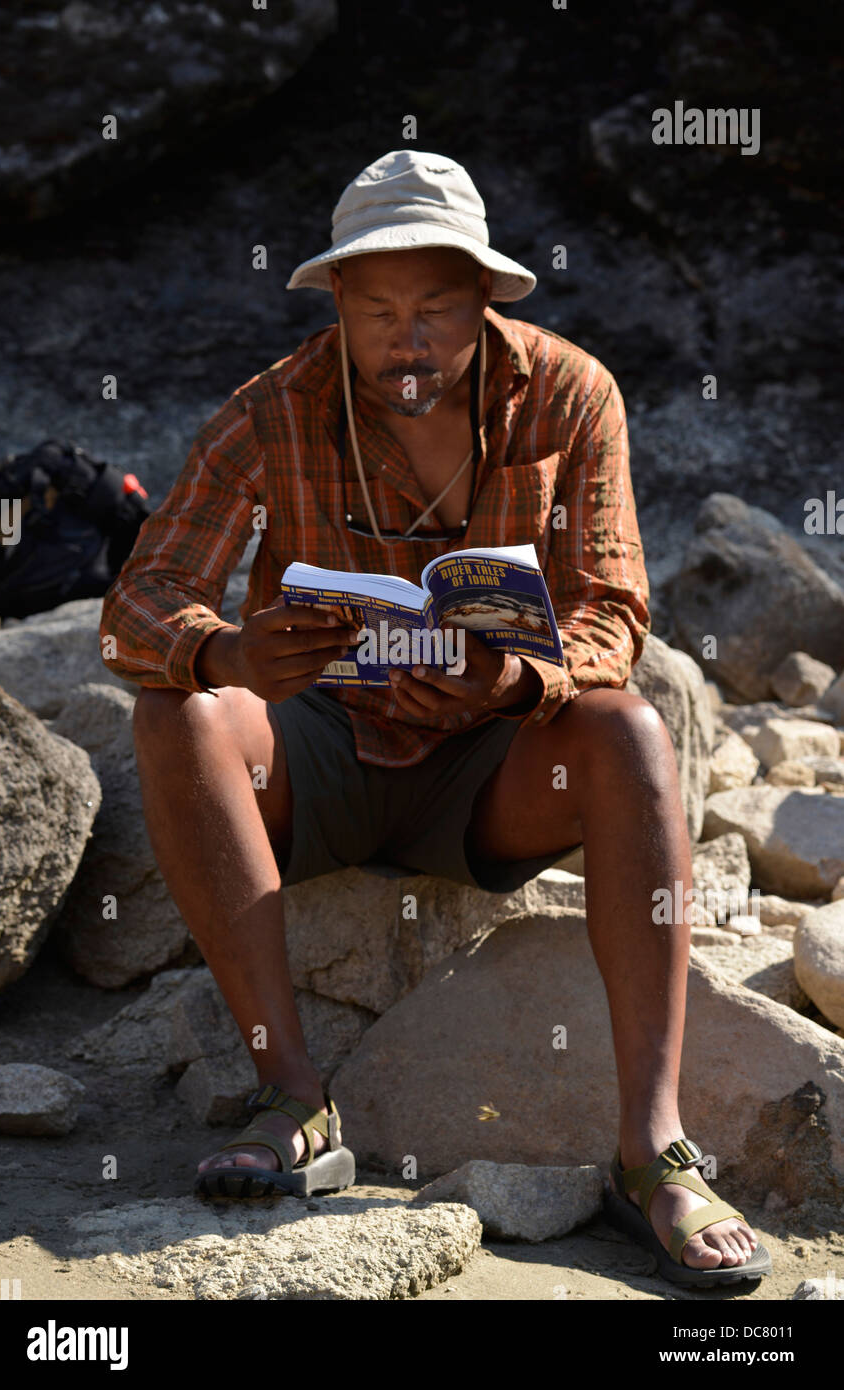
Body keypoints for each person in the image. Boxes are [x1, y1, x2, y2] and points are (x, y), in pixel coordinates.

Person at [100, 149, 770, 1288]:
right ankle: (294, 1099)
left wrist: (515, 682)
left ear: (485, 297)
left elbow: (614, 608)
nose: (408, 340)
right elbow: (137, 607)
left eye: (437, 309)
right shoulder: (274, 405)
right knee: (179, 715)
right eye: (379, 312)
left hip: (493, 771)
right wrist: (227, 649)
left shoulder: (569, 393)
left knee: (633, 732)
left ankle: (651, 1148)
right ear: (341, 310)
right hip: (318, 758)